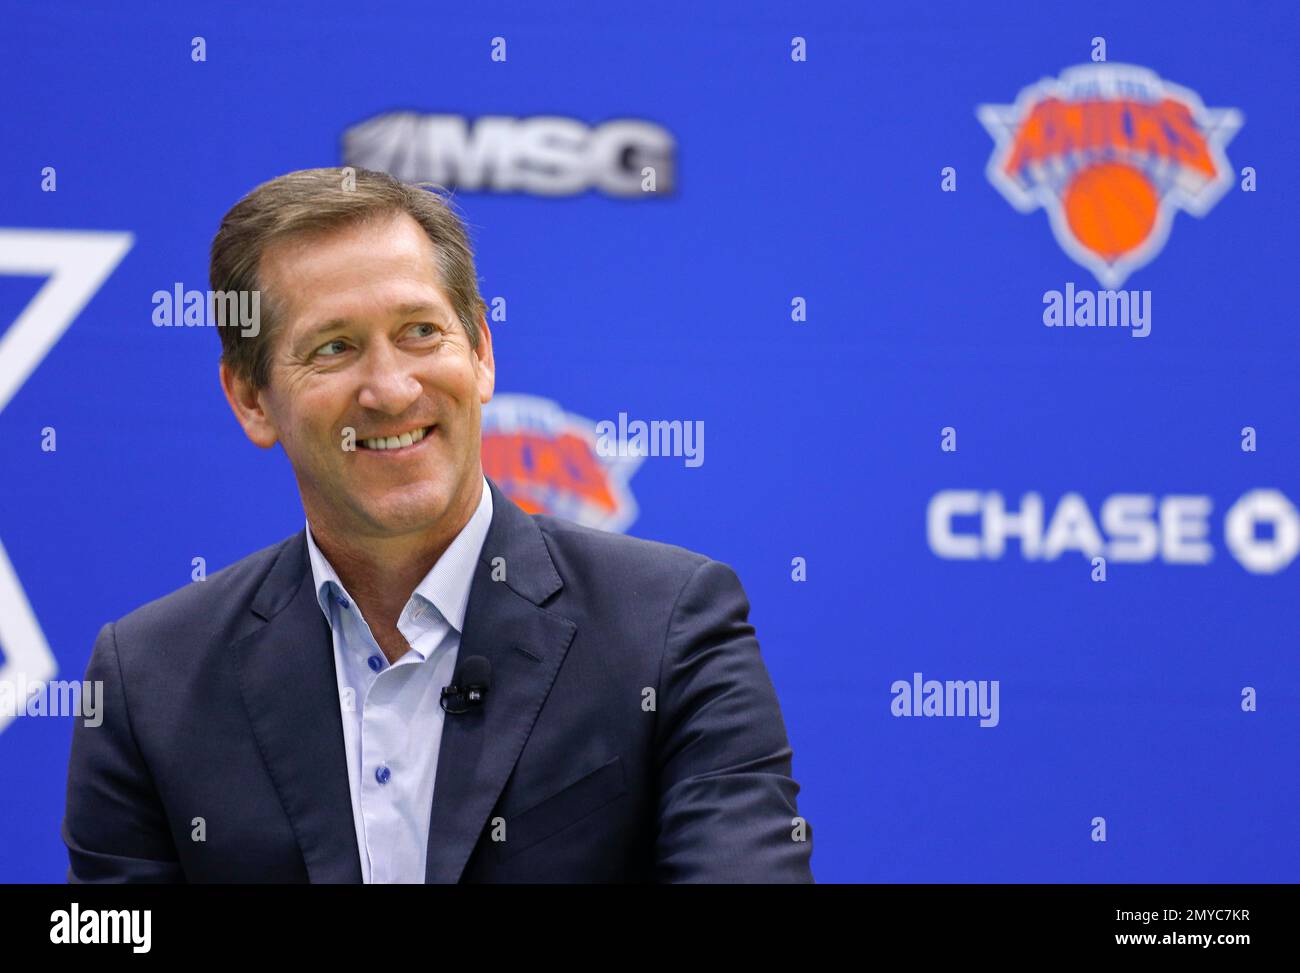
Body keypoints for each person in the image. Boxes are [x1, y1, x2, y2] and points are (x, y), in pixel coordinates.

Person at [61, 167, 813, 883]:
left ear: (481, 352)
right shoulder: (150, 680)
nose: (390, 389)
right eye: (334, 348)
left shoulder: (671, 628)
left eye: (421, 331)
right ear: (252, 398)